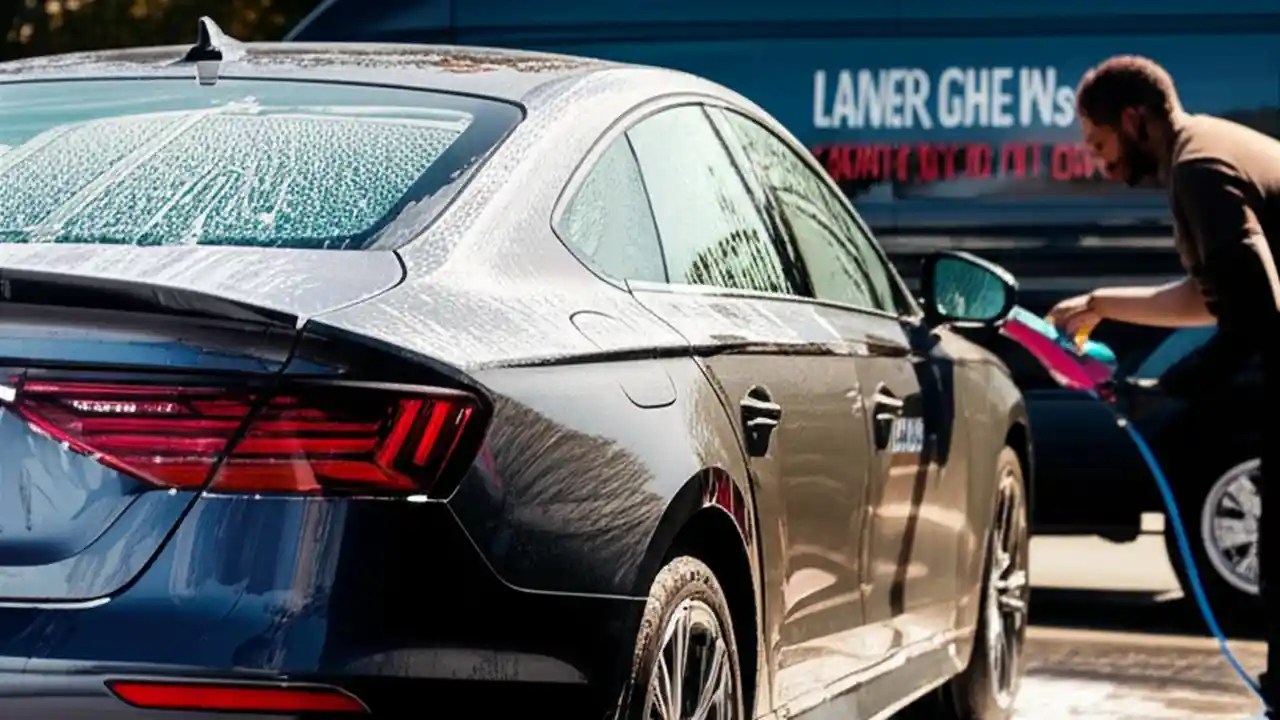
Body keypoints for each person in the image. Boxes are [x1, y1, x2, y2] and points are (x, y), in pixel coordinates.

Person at [1046, 54, 1280, 717]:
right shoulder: (1214, 148)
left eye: (1099, 146)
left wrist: (1172, 389)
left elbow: (1257, 313)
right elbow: (1214, 297)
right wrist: (1104, 300)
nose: (1101, 166)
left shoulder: (1200, 171)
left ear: (1131, 119)